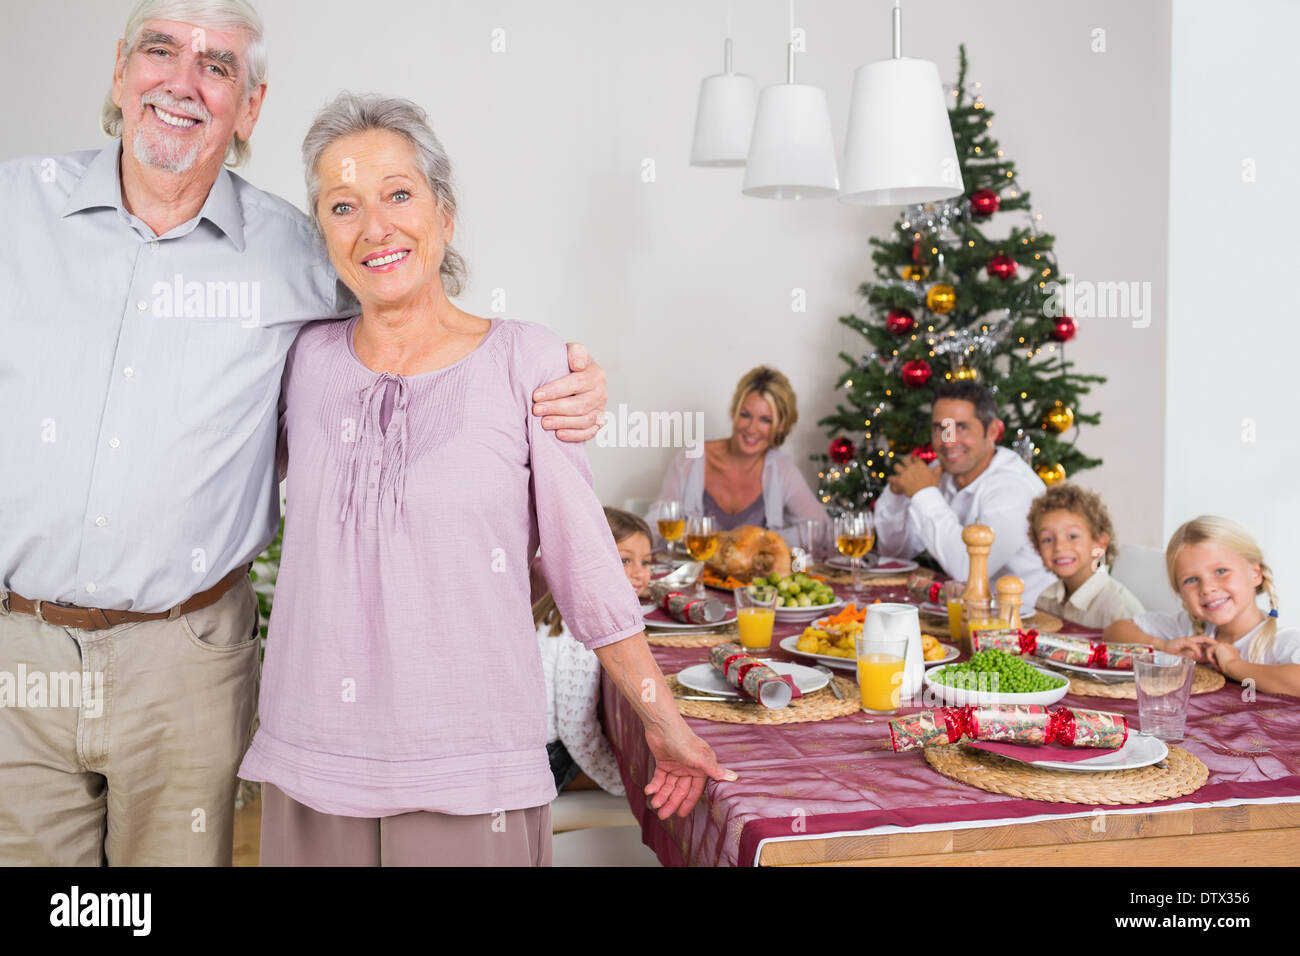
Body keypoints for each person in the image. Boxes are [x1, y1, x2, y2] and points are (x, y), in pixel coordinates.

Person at [0, 0, 609, 867]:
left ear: (249, 106)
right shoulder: (14, 211)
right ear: (119, 74)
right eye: (160, 51)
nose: (182, 81)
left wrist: (558, 379)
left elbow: (422, 337)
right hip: (16, 650)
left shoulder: (302, 251)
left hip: (188, 656)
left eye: (217, 65)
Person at [237, 93, 734, 866]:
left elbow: (585, 564)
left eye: (399, 194)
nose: (376, 227)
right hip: (311, 758)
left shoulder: (527, 362)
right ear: (324, 235)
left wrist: (659, 717)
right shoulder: (299, 360)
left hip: (468, 764)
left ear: (446, 214)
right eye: (343, 206)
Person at [874, 381, 1055, 607]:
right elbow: (896, 552)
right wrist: (897, 495)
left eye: (961, 427)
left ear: (991, 432)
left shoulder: (1013, 489)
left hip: (1025, 622)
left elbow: (967, 569)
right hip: (969, 614)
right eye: (940, 428)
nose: (948, 441)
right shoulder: (941, 474)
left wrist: (923, 493)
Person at [1104, 516, 1300, 697]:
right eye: (1191, 580)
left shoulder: (1283, 640)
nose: (1207, 588)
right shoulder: (1188, 629)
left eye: (1221, 571)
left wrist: (1234, 665)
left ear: (1256, 574)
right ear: (1179, 591)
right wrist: (1163, 646)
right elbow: (1115, 632)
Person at [535, 508, 654, 796]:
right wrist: (619, 783)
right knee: (647, 781)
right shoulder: (583, 627)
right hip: (546, 759)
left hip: (533, 748)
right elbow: (576, 729)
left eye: (647, 562)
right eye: (625, 560)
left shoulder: (560, 605)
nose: (640, 573)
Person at [650, 366, 828, 542]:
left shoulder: (781, 469)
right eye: (745, 415)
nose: (752, 428)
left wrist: (765, 540)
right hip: (694, 570)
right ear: (734, 412)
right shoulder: (691, 459)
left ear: (781, 426)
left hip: (756, 572)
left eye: (765, 420)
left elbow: (821, 529)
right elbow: (656, 525)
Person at [1028, 483, 1143, 627]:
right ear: (1038, 548)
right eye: (1048, 539)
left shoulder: (1119, 609)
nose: (1059, 547)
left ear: (1100, 544)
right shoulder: (1046, 600)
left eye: (1072, 536)